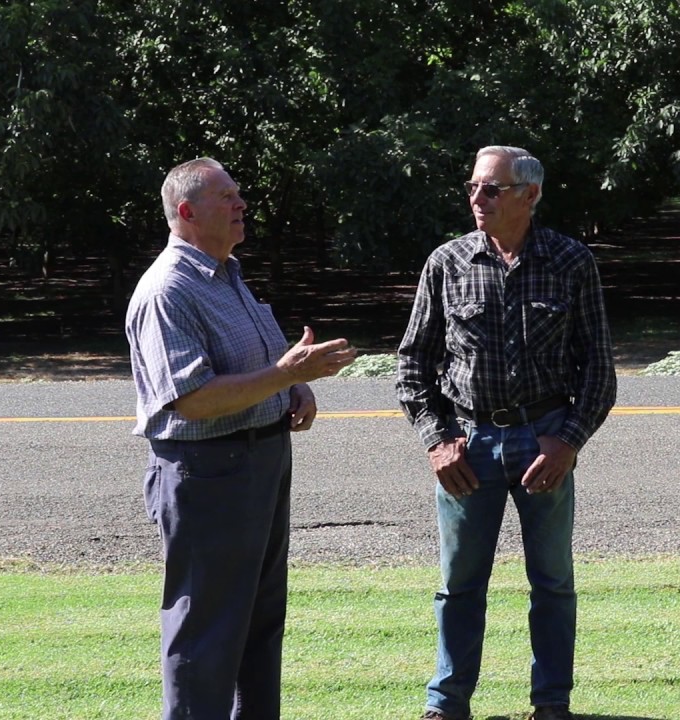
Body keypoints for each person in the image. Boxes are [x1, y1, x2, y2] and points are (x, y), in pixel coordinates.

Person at [125, 157, 357, 720]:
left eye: (238, 194)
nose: (241, 204)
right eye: (226, 196)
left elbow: (262, 366)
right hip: (208, 472)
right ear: (186, 212)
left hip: (260, 459)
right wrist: (286, 377)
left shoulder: (227, 272)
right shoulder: (167, 291)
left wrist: (291, 390)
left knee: (258, 619)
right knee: (206, 628)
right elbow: (192, 399)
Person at [397, 146, 617, 720]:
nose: (477, 199)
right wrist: (436, 440)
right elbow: (412, 366)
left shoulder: (571, 263)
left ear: (530, 195)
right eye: (472, 187)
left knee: (552, 582)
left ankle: (551, 704)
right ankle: (446, 704)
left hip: (543, 438)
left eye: (491, 189)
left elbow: (599, 370)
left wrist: (567, 441)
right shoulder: (446, 264)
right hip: (467, 444)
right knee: (459, 585)